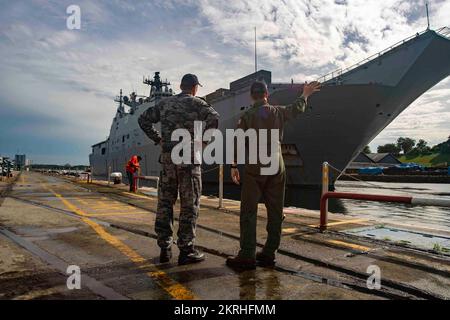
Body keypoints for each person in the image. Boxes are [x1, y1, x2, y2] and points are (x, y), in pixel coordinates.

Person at [226, 80, 321, 269]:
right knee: (276, 211)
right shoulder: (278, 111)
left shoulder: (246, 116)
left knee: (249, 211)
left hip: (255, 166)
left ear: (251, 96)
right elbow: (297, 108)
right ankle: (269, 253)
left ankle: (247, 255)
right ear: (267, 95)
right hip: (277, 164)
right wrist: (305, 94)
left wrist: (234, 165)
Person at [138, 73, 219, 265]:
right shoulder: (197, 103)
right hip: (189, 161)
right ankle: (186, 250)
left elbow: (143, 120)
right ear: (194, 88)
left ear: (181, 86)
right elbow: (214, 118)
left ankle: (165, 249)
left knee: (165, 204)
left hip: (168, 161)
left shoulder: (165, 104)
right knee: (189, 206)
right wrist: (203, 142)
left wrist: (158, 139)